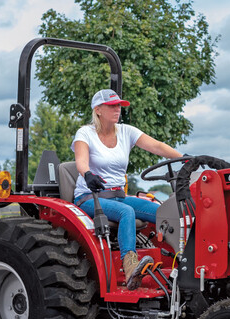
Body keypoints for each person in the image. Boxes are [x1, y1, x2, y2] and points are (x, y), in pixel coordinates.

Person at [73, 89, 182, 289]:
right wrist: (88, 174)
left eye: (119, 106)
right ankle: (130, 266)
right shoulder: (85, 133)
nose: (117, 109)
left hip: (118, 195)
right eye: (112, 106)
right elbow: (81, 160)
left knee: (162, 212)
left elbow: (157, 146)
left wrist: (184, 158)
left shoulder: (126, 131)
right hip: (91, 196)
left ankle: (182, 257)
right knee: (127, 212)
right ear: (98, 110)